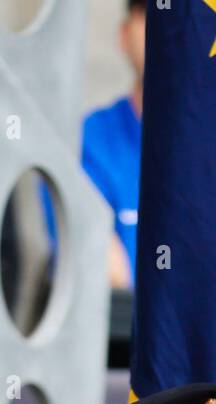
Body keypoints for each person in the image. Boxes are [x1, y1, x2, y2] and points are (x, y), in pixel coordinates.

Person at [82, 0, 146, 288]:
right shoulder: (89, 139)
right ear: (124, 33)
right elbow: (105, 275)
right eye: (147, 13)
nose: (161, 29)